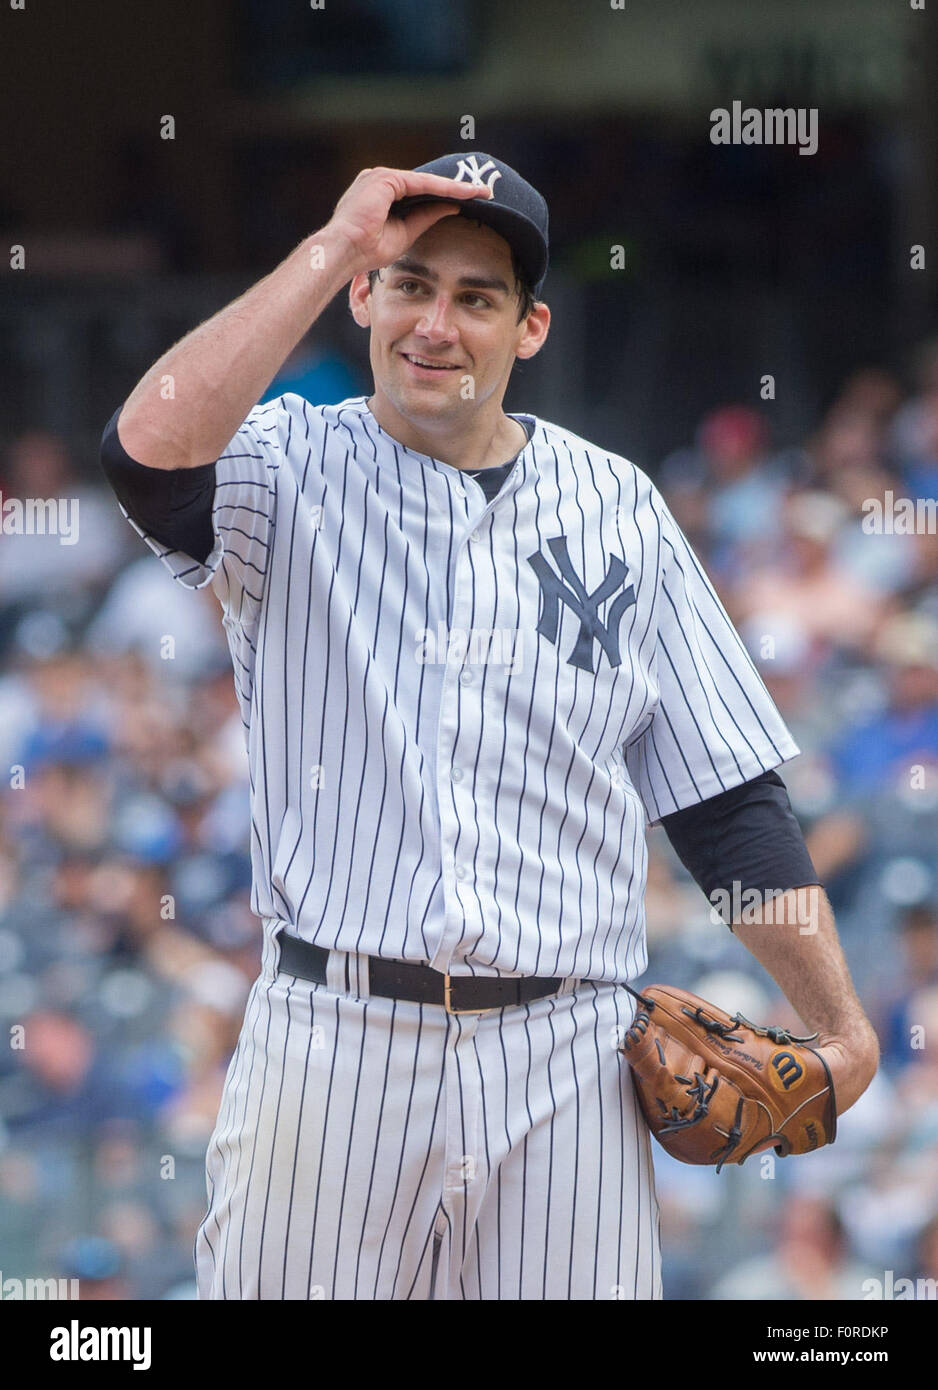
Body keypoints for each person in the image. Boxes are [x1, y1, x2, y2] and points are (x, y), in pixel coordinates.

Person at [98, 153, 878, 1300]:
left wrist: (839, 1025)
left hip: (567, 1053)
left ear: (528, 328)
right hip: (334, 1036)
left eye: (476, 297)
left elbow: (725, 803)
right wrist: (330, 245)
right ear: (364, 298)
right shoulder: (281, 463)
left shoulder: (618, 507)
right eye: (408, 283)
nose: (436, 323)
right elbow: (144, 453)